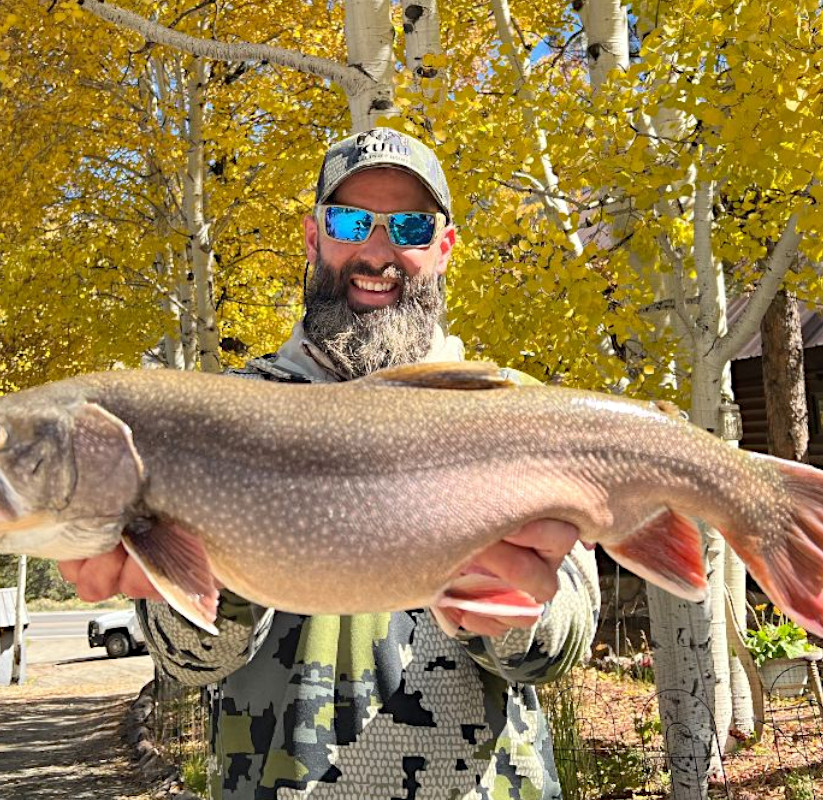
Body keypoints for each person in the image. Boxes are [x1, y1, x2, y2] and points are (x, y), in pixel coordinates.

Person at [59, 128, 600, 799]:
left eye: (409, 224)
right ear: (315, 239)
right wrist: (210, 568)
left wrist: (521, 613)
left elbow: (564, 644)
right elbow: (187, 663)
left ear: (444, 247)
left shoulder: (511, 408)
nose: (376, 252)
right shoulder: (220, 415)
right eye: (349, 221)